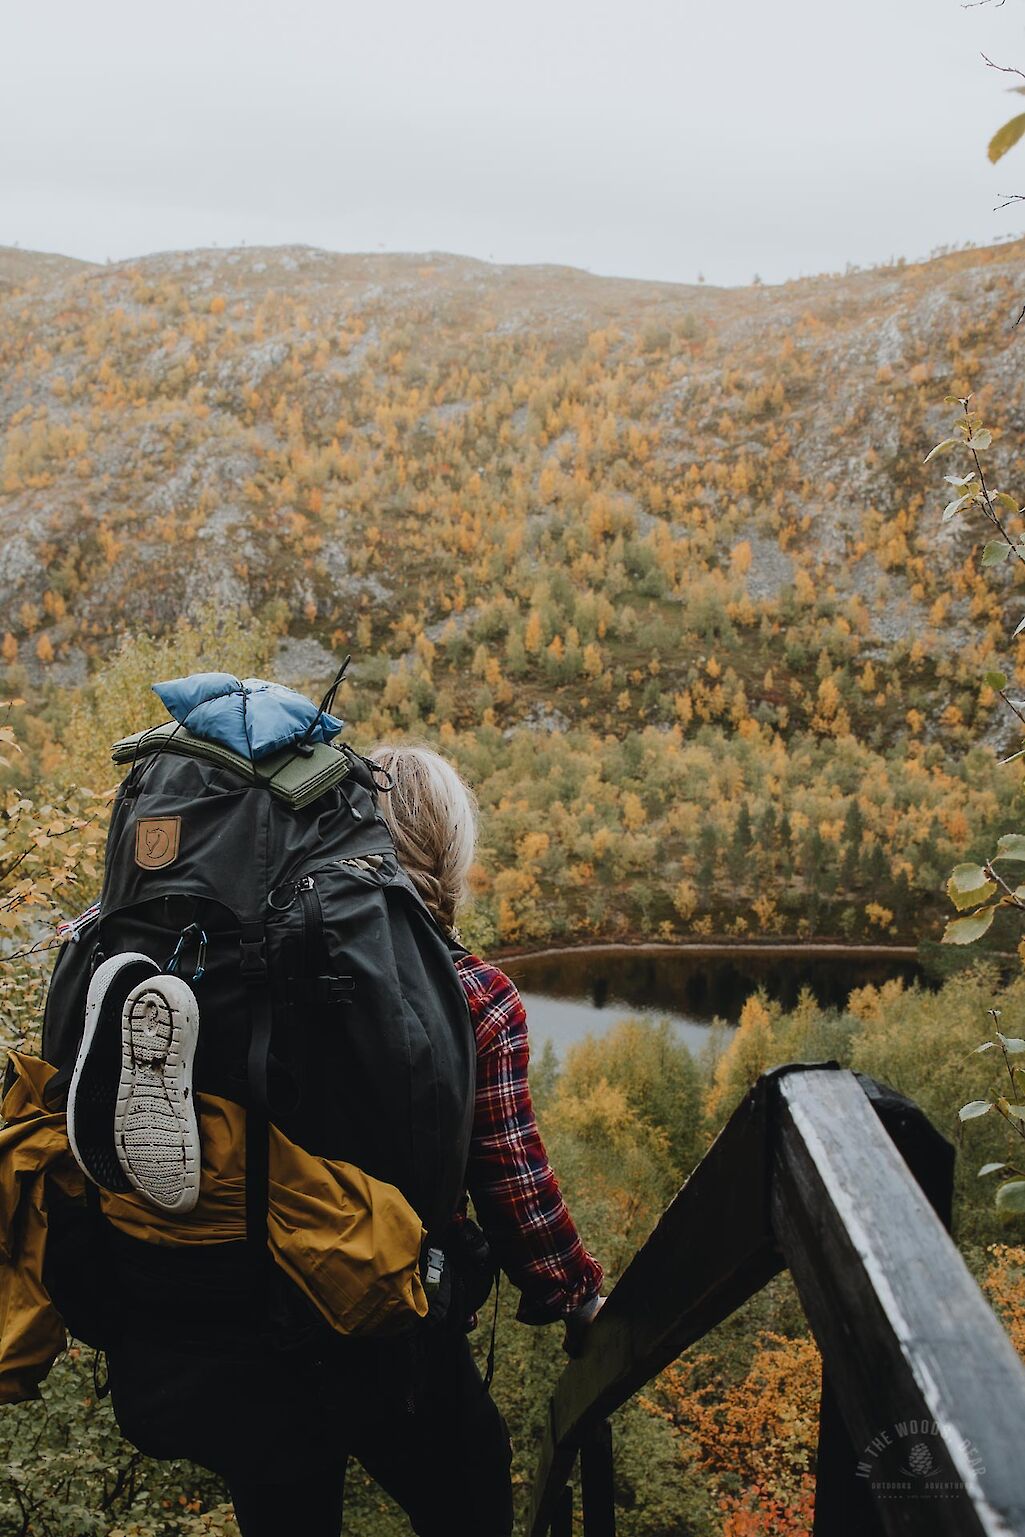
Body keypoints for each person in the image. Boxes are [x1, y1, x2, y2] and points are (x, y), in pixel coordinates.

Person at [222, 741, 604, 1536]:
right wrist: (573, 1294)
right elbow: (512, 1181)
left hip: (256, 1328)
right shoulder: (475, 994)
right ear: (448, 851)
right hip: (400, 1328)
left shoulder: (257, 968)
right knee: (471, 1493)